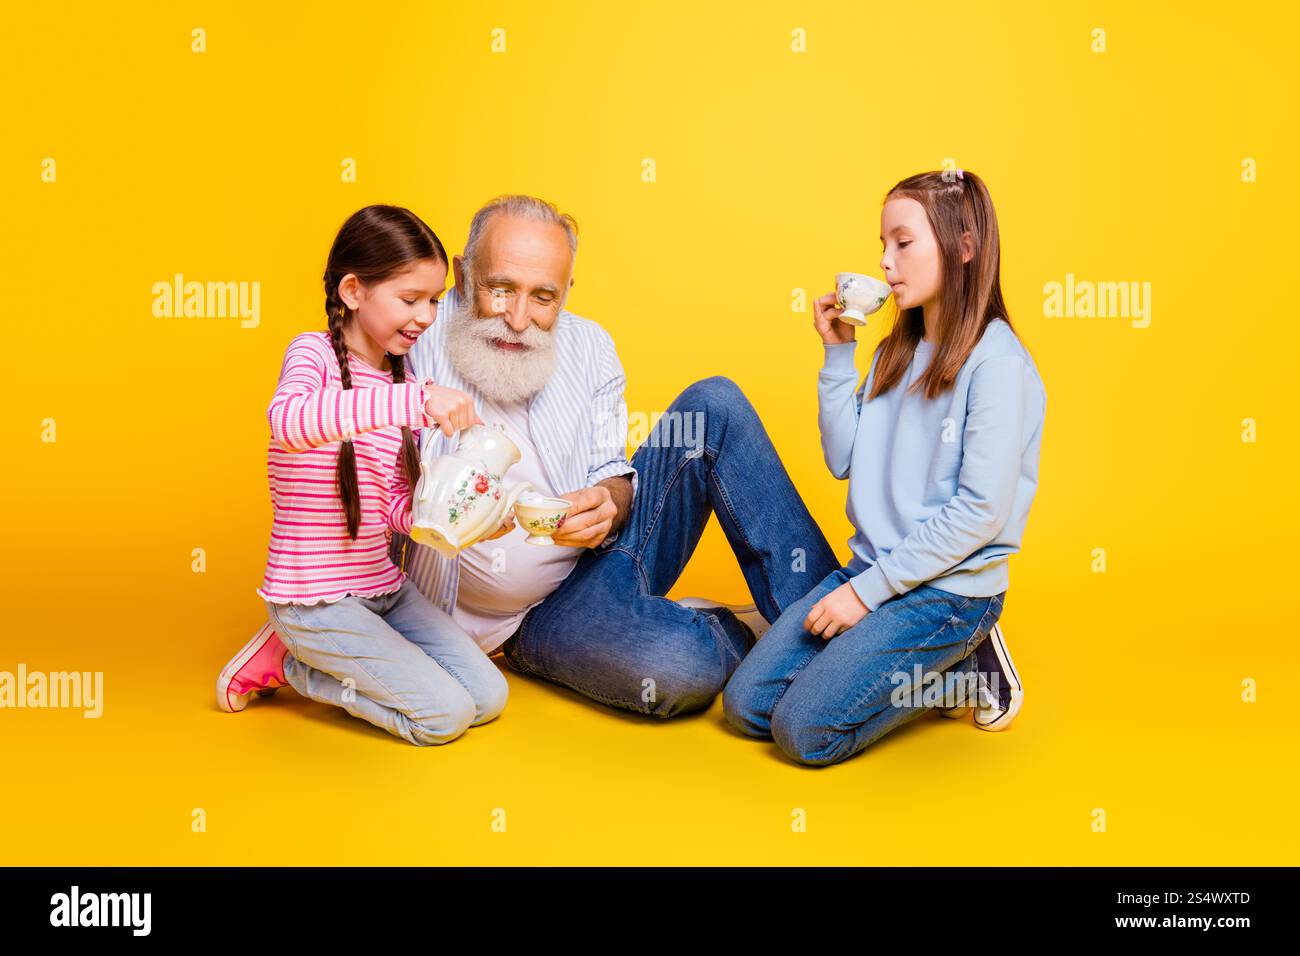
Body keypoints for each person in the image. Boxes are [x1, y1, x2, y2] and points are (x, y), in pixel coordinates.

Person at [723, 169, 1046, 766]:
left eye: (903, 242)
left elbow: (979, 512)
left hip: (946, 592)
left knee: (805, 732)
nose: (886, 262)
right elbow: (844, 458)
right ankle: (920, 659)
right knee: (746, 708)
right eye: (882, 246)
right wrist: (838, 350)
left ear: (965, 247)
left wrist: (864, 597)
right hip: (875, 574)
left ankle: (967, 666)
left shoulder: (999, 366)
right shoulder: (897, 350)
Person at [215, 204, 509, 746]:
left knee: (488, 699)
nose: (425, 316)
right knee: (442, 718)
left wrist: (472, 518)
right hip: (316, 599)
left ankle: (315, 653)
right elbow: (290, 421)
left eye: (434, 301)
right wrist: (413, 400)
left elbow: (394, 504)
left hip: (384, 590)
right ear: (353, 291)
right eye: (409, 299)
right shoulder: (315, 356)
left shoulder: (403, 374)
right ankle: (297, 664)